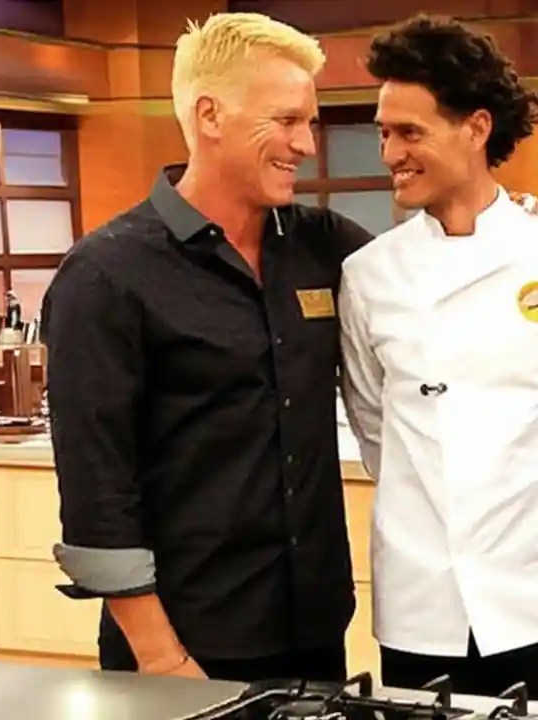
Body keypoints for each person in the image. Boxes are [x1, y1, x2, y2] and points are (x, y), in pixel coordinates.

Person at [42, 13, 372, 682]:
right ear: (210, 114)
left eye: (308, 122)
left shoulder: (325, 247)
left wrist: (511, 221)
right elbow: (97, 487)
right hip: (181, 650)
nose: (305, 144)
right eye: (284, 121)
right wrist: (162, 656)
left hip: (314, 635)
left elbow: (436, 266)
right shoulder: (107, 275)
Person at [338, 13, 538, 707]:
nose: (389, 153)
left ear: (476, 128)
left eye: (410, 132)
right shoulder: (369, 274)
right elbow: (372, 423)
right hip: (421, 598)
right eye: (383, 132)